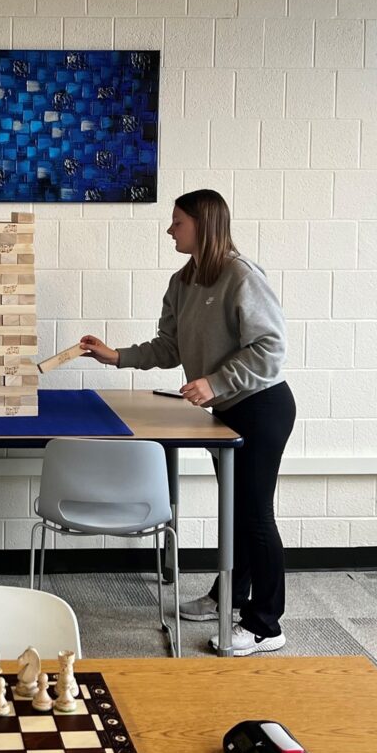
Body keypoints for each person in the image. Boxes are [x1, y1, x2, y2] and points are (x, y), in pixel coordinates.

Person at [80, 189, 294, 656]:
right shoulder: (183, 281)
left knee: (255, 515)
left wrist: (215, 382)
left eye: (177, 222)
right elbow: (168, 347)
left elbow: (270, 349)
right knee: (237, 512)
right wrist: (114, 356)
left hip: (262, 406)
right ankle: (230, 596)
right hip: (228, 409)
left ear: (203, 224)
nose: (170, 229)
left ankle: (266, 624)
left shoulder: (241, 276)